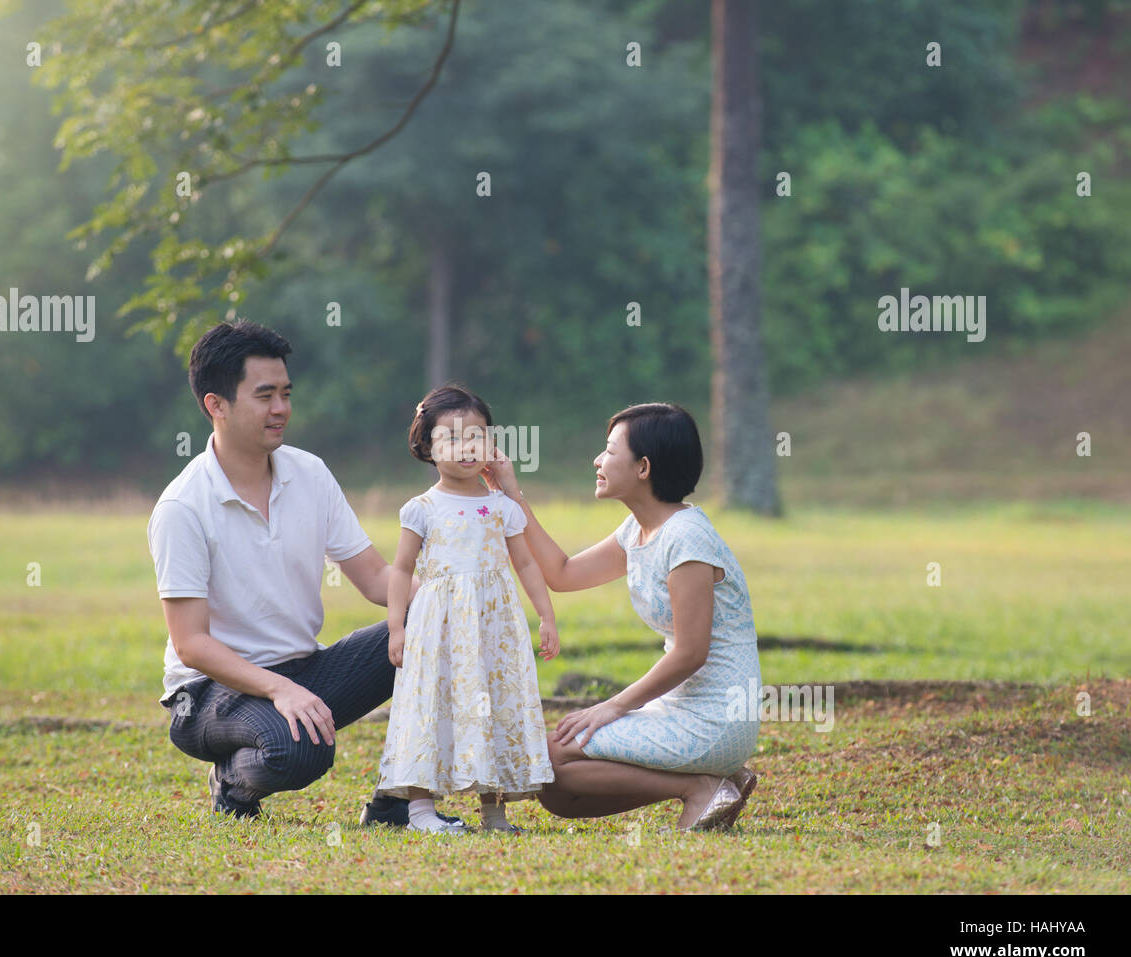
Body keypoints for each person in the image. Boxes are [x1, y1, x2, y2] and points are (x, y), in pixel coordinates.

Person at [147, 318, 451, 825]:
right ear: (215, 405)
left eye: (286, 393)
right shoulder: (183, 506)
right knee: (301, 749)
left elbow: (377, 578)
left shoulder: (309, 473)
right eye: (265, 395)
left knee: (433, 620)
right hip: (208, 693)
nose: (282, 409)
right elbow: (191, 645)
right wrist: (278, 690)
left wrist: (446, 602)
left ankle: (395, 800)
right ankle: (232, 782)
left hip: (305, 669)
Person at [480, 402, 761, 831]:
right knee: (559, 794)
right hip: (682, 709)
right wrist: (510, 493)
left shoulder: (687, 538)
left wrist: (611, 707)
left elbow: (690, 653)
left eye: (609, 451)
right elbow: (562, 573)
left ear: (643, 467)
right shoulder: (638, 531)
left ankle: (700, 788)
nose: (598, 460)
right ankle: (712, 782)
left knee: (554, 757)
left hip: (717, 718)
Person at [376, 385, 558, 833]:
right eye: (452, 438)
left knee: (494, 706)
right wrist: (395, 626)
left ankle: (494, 811)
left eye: (477, 436)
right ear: (426, 446)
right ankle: (420, 811)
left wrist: (546, 614)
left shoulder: (503, 508)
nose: (467, 447)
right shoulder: (421, 509)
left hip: (494, 628)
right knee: (431, 706)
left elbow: (527, 563)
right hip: (436, 628)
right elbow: (400, 570)